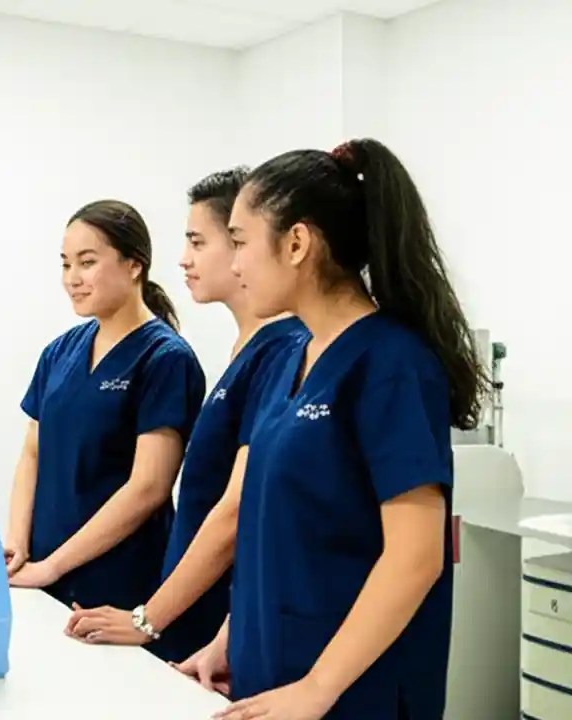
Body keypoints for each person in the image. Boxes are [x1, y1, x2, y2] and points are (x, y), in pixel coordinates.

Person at [182, 140, 486, 720]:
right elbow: (280, 531)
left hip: (352, 692)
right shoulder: (289, 358)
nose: (235, 264)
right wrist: (232, 637)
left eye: (240, 241)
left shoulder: (391, 364)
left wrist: (318, 686)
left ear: (297, 243)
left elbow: (416, 555)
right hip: (273, 671)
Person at [64, 169, 306, 664]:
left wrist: (147, 618)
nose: (182, 259)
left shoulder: (281, 351)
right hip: (194, 613)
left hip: (210, 613)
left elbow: (234, 510)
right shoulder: (249, 351)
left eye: (198, 242)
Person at [5, 199, 206, 613]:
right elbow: (32, 452)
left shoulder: (165, 359)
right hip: (43, 573)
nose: (72, 279)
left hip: (118, 582)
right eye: (66, 264)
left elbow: (149, 487)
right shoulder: (59, 353)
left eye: (87, 262)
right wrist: (18, 544)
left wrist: (53, 567)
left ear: (134, 265)